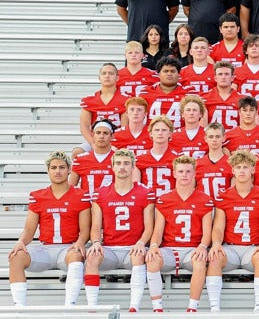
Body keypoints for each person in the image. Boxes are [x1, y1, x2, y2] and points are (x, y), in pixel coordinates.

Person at [8, 151, 91, 307]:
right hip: (45, 249)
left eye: (61, 167)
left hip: (68, 248)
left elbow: (85, 229)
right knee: (16, 257)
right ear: (48, 171)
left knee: (75, 256)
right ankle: (19, 307)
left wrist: (80, 242)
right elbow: (29, 230)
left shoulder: (80, 195)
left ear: (69, 170)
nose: (57, 171)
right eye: (53, 167)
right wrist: (20, 242)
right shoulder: (38, 196)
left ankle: (70, 305)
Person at [83, 149, 155, 311]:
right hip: (110, 248)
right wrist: (95, 242)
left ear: (133, 167)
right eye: (118, 163)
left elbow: (149, 226)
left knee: (138, 256)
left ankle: (134, 307)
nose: (122, 167)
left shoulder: (145, 192)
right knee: (92, 257)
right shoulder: (101, 193)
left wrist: (141, 242)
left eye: (126, 163)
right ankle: (92, 307)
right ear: (112, 167)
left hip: (133, 247)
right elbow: (95, 227)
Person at [206, 150, 259, 312]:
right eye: (238, 167)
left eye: (246, 167)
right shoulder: (224, 196)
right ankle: (214, 307)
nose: (242, 171)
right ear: (233, 170)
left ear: (253, 170)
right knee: (215, 257)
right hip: (230, 247)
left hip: (253, 247)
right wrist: (216, 243)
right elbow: (218, 226)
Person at [144, 155, 214, 312]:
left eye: (188, 171)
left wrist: (203, 246)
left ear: (194, 173)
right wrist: (154, 245)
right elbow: (158, 231)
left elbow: (207, 232)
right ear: (174, 173)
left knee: (200, 261)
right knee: (152, 259)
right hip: (170, 249)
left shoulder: (204, 199)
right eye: (181, 171)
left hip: (192, 249)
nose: (184, 175)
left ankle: (192, 307)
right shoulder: (164, 199)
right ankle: (157, 308)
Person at [79, 63, 127, 145]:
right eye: (104, 73)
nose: (107, 76)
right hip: (96, 140)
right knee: (78, 151)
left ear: (117, 78)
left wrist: (116, 144)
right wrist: (93, 143)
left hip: (118, 141)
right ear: (99, 78)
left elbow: (125, 128)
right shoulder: (90, 100)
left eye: (111, 73)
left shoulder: (126, 100)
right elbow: (84, 127)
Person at [136, 116, 179, 197]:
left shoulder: (177, 158)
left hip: (169, 202)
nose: (160, 133)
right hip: (147, 202)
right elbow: (136, 188)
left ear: (170, 133)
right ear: (151, 133)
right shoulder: (139, 159)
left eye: (164, 130)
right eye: (156, 130)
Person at [69, 120, 115, 196]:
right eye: (98, 133)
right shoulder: (80, 159)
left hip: (110, 205)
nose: (101, 136)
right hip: (87, 205)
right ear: (92, 135)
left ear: (112, 136)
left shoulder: (118, 159)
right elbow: (71, 187)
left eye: (105, 133)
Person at [142, 56, 187, 129]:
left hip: (179, 137)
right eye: (165, 71)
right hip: (152, 137)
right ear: (158, 74)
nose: (169, 74)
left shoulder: (187, 94)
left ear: (178, 74)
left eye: (172, 71)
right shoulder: (146, 92)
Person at [202, 61, 243, 132]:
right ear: (215, 78)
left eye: (226, 74)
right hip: (213, 140)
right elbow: (202, 127)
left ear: (232, 78)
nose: (223, 77)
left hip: (234, 139)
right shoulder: (204, 97)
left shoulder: (242, 99)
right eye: (220, 74)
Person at [195, 122, 232, 200]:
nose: (214, 140)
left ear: (224, 138)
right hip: (203, 208)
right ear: (205, 138)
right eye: (211, 137)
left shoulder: (231, 163)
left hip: (223, 208)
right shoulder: (197, 164)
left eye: (217, 136)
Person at [233, 34, 259, 101]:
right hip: (244, 109)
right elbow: (233, 95)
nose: (254, 48)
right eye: (250, 46)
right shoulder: (236, 71)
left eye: (257, 46)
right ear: (246, 51)